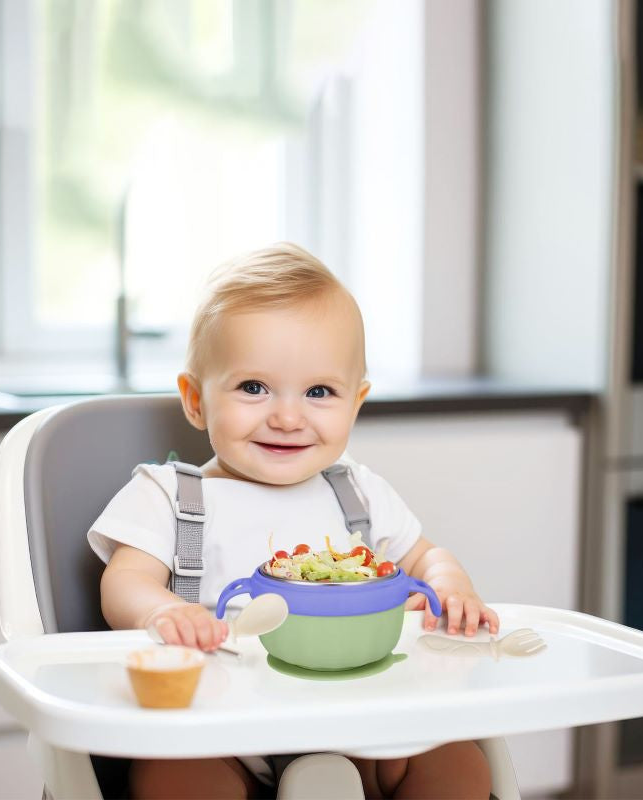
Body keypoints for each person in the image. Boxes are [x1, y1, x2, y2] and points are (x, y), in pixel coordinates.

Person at [88, 242, 500, 800]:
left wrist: (451, 588)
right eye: (253, 388)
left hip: (363, 720)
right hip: (220, 731)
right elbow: (125, 582)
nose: (286, 416)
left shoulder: (356, 492)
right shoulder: (170, 495)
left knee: (458, 762)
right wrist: (165, 613)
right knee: (171, 777)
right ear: (195, 400)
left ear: (356, 403)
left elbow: (425, 557)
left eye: (320, 392)